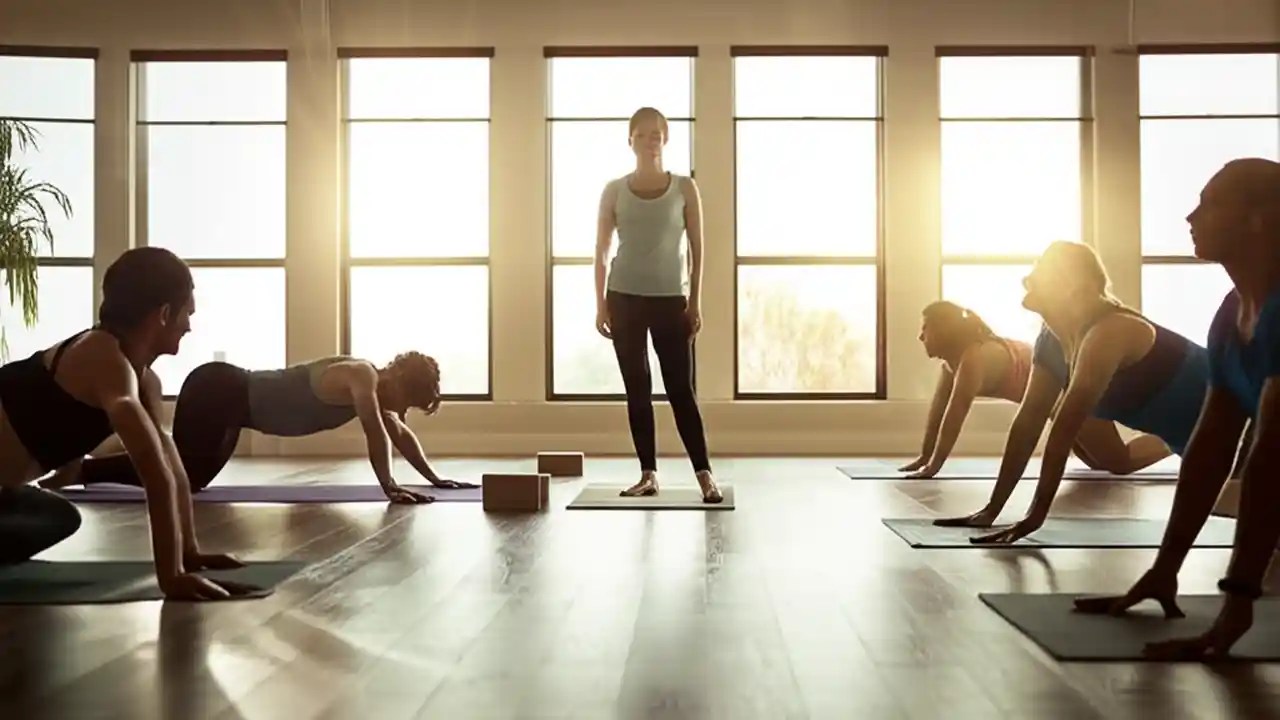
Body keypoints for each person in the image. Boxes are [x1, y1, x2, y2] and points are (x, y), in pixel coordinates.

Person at [1074, 158, 1280, 660]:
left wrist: (1238, 600)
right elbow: (1211, 450)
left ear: (1260, 217)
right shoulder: (1232, 316)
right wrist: (1165, 570)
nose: (1191, 217)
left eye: (1210, 205)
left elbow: (1271, 461)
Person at [0, 247, 247, 600]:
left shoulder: (146, 381)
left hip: (7, 491)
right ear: (164, 314)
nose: (189, 326)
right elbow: (154, 474)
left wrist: (189, 552)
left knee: (58, 517)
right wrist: (171, 576)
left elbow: (171, 464)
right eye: (186, 314)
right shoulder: (102, 358)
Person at [934, 240, 1211, 543]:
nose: (1028, 279)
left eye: (1042, 271)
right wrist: (992, 509)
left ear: (1072, 287)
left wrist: (1034, 517)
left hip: (1251, 426)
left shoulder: (1110, 333)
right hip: (1202, 443)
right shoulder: (1051, 342)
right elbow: (1029, 422)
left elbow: (1063, 431)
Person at [45, 352, 471, 503]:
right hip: (219, 388)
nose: (402, 412)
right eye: (406, 402)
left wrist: (435, 478)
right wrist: (388, 485)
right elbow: (377, 432)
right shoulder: (362, 376)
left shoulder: (382, 396)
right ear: (396, 378)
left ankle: (86, 467)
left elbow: (397, 431)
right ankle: (86, 464)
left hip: (233, 409)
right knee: (186, 472)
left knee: (190, 480)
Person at [593, 106, 721, 503]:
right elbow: (600, 250)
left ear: (665, 140)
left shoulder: (685, 187)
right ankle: (648, 475)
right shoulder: (614, 189)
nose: (650, 141)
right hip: (624, 298)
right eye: (642, 134)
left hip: (671, 300)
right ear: (629, 140)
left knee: (681, 390)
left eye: (656, 134)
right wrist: (600, 304)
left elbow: (699, 249)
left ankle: (705, 477)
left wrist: (695, 302)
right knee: (638, 390)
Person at [902, 300, 1172, 478]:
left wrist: (933, 467)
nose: (920, 336)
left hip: (1074, 391)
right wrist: (925, 457)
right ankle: (1180, 435)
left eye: (926, 328)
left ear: (945, 330)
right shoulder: (953, 365)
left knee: (1120, 462)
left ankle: (1183, 436)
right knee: (1099, 463)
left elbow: (956, 413)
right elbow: (939, 411)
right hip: (1057, 406)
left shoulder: (974, 358)